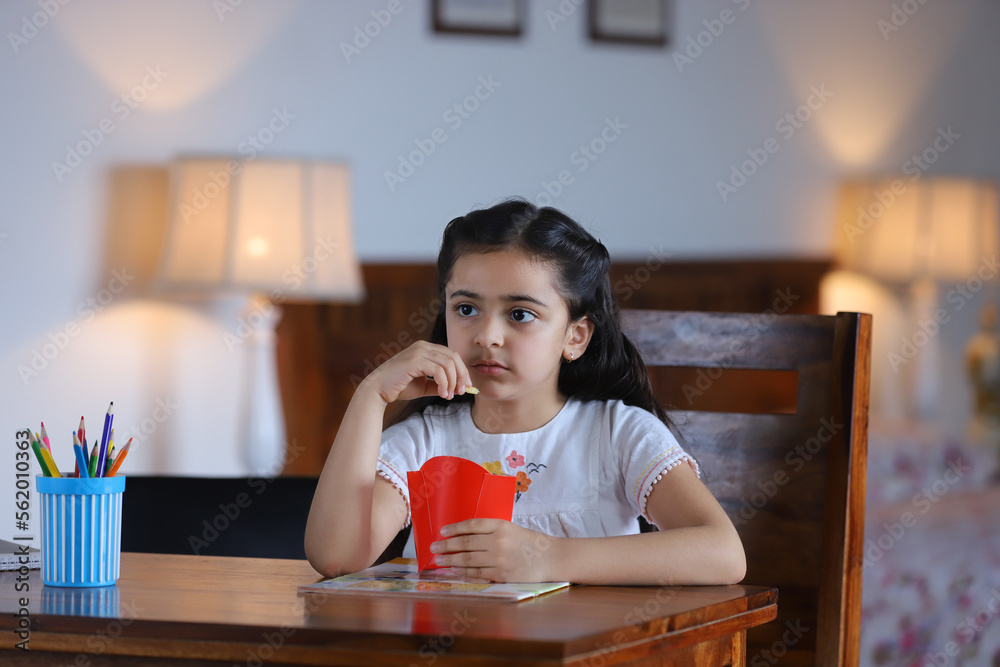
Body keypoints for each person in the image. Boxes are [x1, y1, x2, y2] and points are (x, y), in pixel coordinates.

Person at [304, 199, 746, 585]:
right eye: (466, 308)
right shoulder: (424, 441)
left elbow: (723, 553)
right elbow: (337, 558)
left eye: (519, 314)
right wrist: (370, 397)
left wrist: (548, 557)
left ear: (575, 337)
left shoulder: (617, 434)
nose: (487, 336)